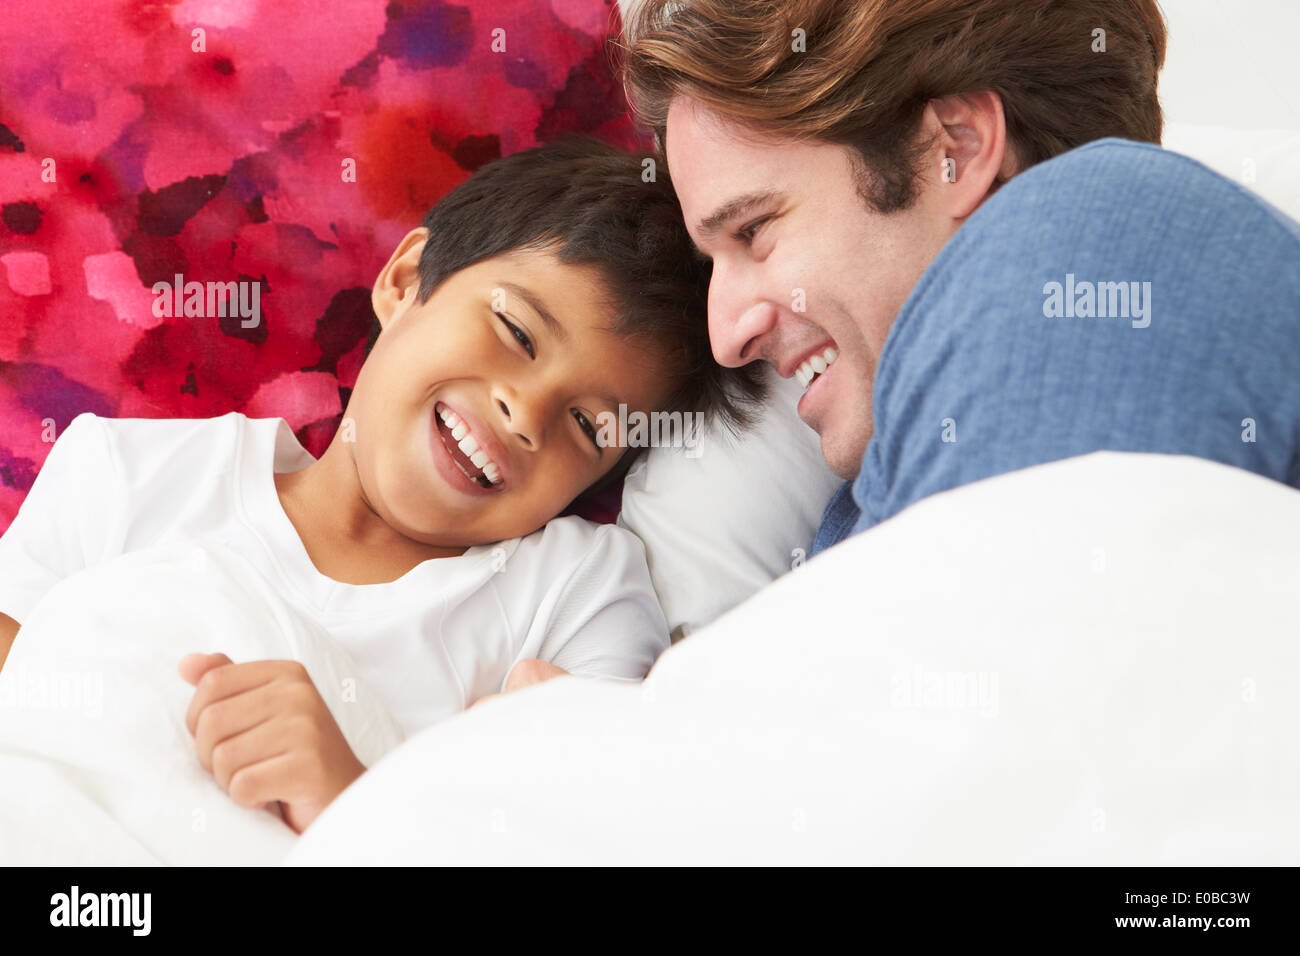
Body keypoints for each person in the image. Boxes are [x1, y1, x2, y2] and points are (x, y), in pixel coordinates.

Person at [0, 136, 762, 832]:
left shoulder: (570, 596)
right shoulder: (130, 475)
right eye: (518, 334)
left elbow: (571, 838)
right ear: (404, 282)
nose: (524, 412)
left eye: (590, 427)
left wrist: (351, 801)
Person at [620, 0, 1300, 554]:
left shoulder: (1098, 238)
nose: (723, 339)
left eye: (754, 230)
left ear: (956, 151)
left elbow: (1035, 688)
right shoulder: (871, 500)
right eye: (713, 264)